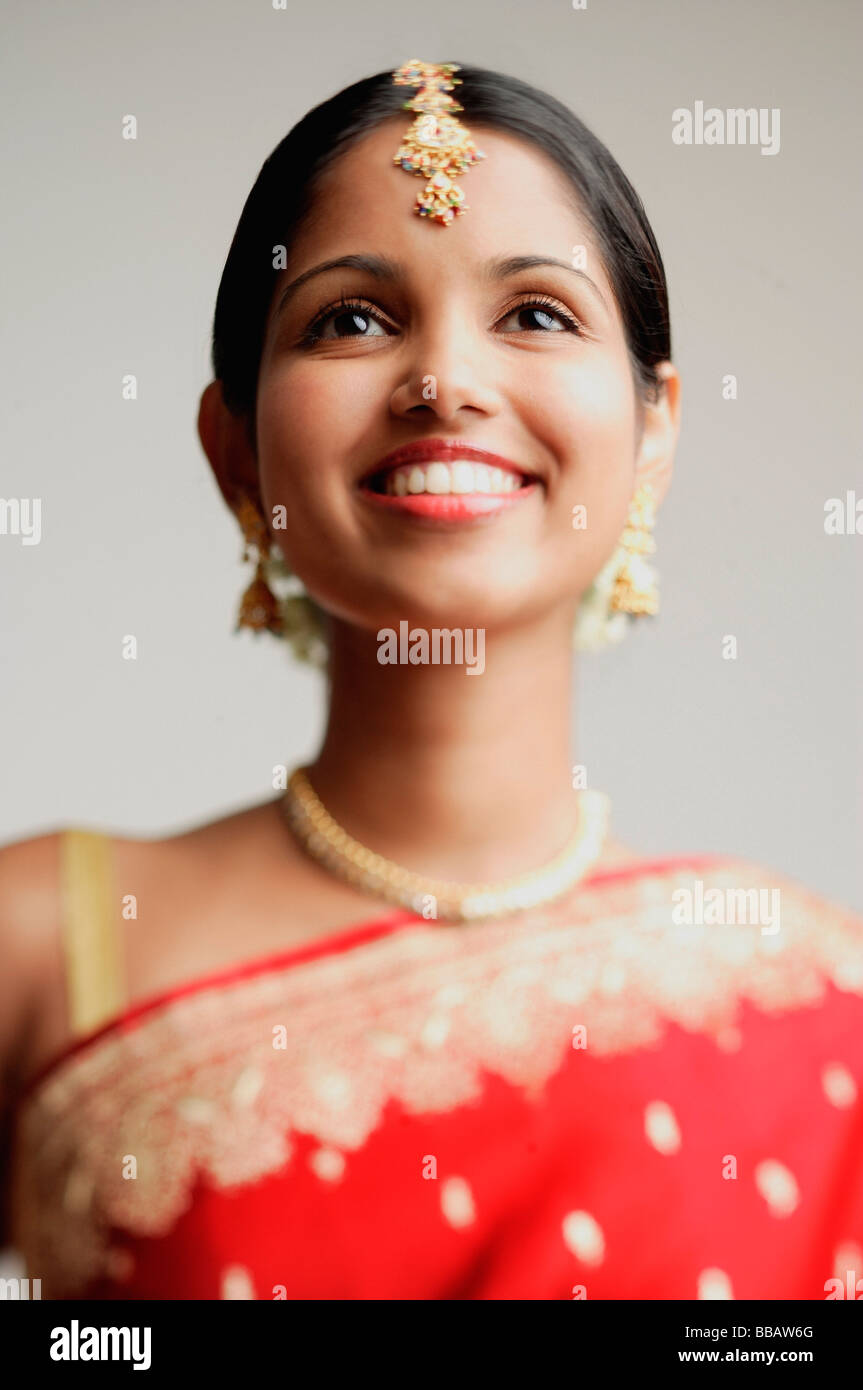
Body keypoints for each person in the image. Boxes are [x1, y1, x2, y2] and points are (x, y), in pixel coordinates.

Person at [1, 60, 861, 1301]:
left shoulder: (815, 1004)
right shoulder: (46, 943)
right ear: (234, 448)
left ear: (653, 429)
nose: (442, 382)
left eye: (536, 316)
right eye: (350, 318)